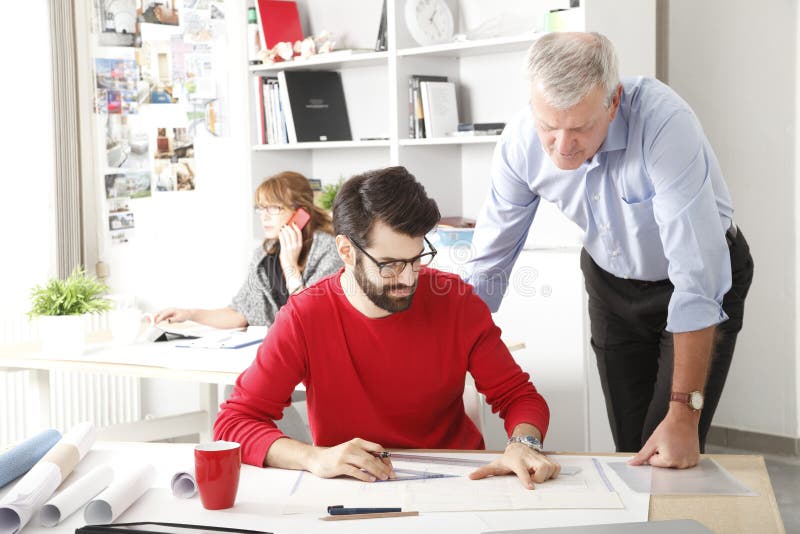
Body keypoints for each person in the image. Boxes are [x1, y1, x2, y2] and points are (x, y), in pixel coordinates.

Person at [465, 32, 754, 469]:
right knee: (630, 452)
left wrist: (683, 414)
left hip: (700, 279)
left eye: (579, 128)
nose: (562, 146)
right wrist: (443, 353)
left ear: (613, 102)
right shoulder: (520, 142)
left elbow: (697, 277)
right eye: (549, 126)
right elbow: (489, 264)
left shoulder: (663, 124)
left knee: (670, 447)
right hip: (612, 286)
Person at [214, 166, 561, 489]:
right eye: (391, 265)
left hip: (458, 483)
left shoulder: (456, 300)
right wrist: (312, 457)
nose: (408, 278)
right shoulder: (304, 317)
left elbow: (519, 396)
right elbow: (234, 422)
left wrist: (523, 443)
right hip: (354, 490)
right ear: (346, 251)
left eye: (416, 258)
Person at [154, 171, 343, 328]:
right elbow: (240, 313)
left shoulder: (329, 251)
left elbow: (311, 318)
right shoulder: (265, 255)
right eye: (261, 208)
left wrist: (290, 266)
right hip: (281, 352)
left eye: (274, 208)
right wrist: (190, 314)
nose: (264, 216)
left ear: (301, 213)